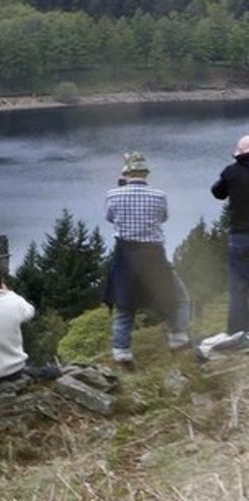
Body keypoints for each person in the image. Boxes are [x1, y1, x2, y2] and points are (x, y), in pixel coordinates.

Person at [103, 151, 191, 363]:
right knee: (177, 297)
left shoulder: (113, 194)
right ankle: (178, 338)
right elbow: (163, 218)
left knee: (125, 305)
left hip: (126, 255)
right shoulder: (159, 195)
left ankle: (121, 352)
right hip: (153, 255)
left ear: (127, 172)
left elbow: (110, 218)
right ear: (146, 173)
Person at [213, 136, 249, 335]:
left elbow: (217, 192)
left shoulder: (231, 172)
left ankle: (238, 333)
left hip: (240, 236)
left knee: (239, 287)